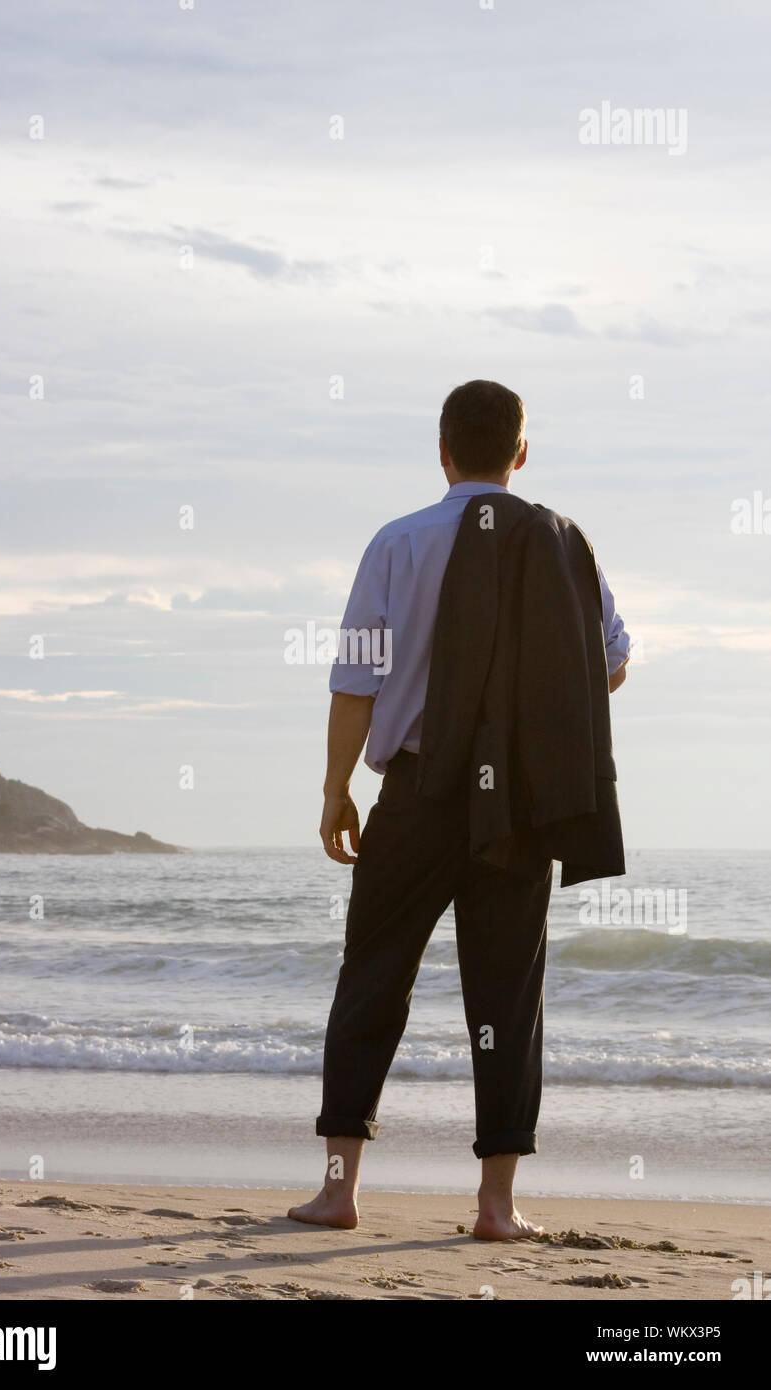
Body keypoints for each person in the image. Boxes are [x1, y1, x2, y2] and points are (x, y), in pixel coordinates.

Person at [289, 380, 631, 1239]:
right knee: (506, 997)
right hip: (516, 805)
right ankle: (497, 1206)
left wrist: (337, 789)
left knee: (371, 981)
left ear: (441, 451)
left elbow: (354, 683)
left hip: (413, 793)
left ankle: (337, 1192)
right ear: (521, 452)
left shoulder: (396, 544)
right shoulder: (564, 547)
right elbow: (612, 665)